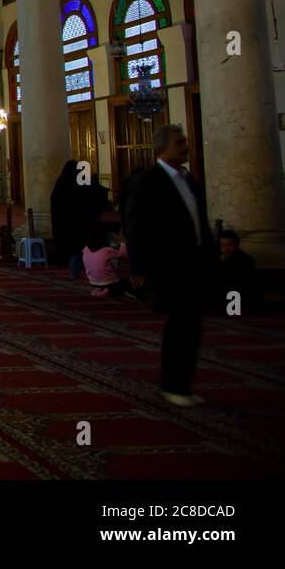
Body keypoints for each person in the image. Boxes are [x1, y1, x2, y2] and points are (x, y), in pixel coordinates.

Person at [124, 124, 216, 407]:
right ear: (164, 148)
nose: (186, 146)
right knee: (182, 324)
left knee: (188, 324)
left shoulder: (187, 179)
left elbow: (198, 220)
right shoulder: (149, 181)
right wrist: (138, 268)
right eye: (180, 142)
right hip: (169, 266)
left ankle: (179, 383)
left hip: (193, 264)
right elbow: (136, 226)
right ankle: (174, 385)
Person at [217, 229, 258, 312]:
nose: (226, 249)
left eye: (230, 245)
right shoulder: (216, 258)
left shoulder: (246, 261)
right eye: (222, 245)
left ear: (237, 245)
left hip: (238, 300)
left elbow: (240, 287)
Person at [82, 225, 128, 298]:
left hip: (93, 281)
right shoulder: (106, 251)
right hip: (109, 282)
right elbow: (123, 255)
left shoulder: (85, 249)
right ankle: (108, 290)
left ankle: (99, 289)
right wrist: (123, 243)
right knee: (125, 283)